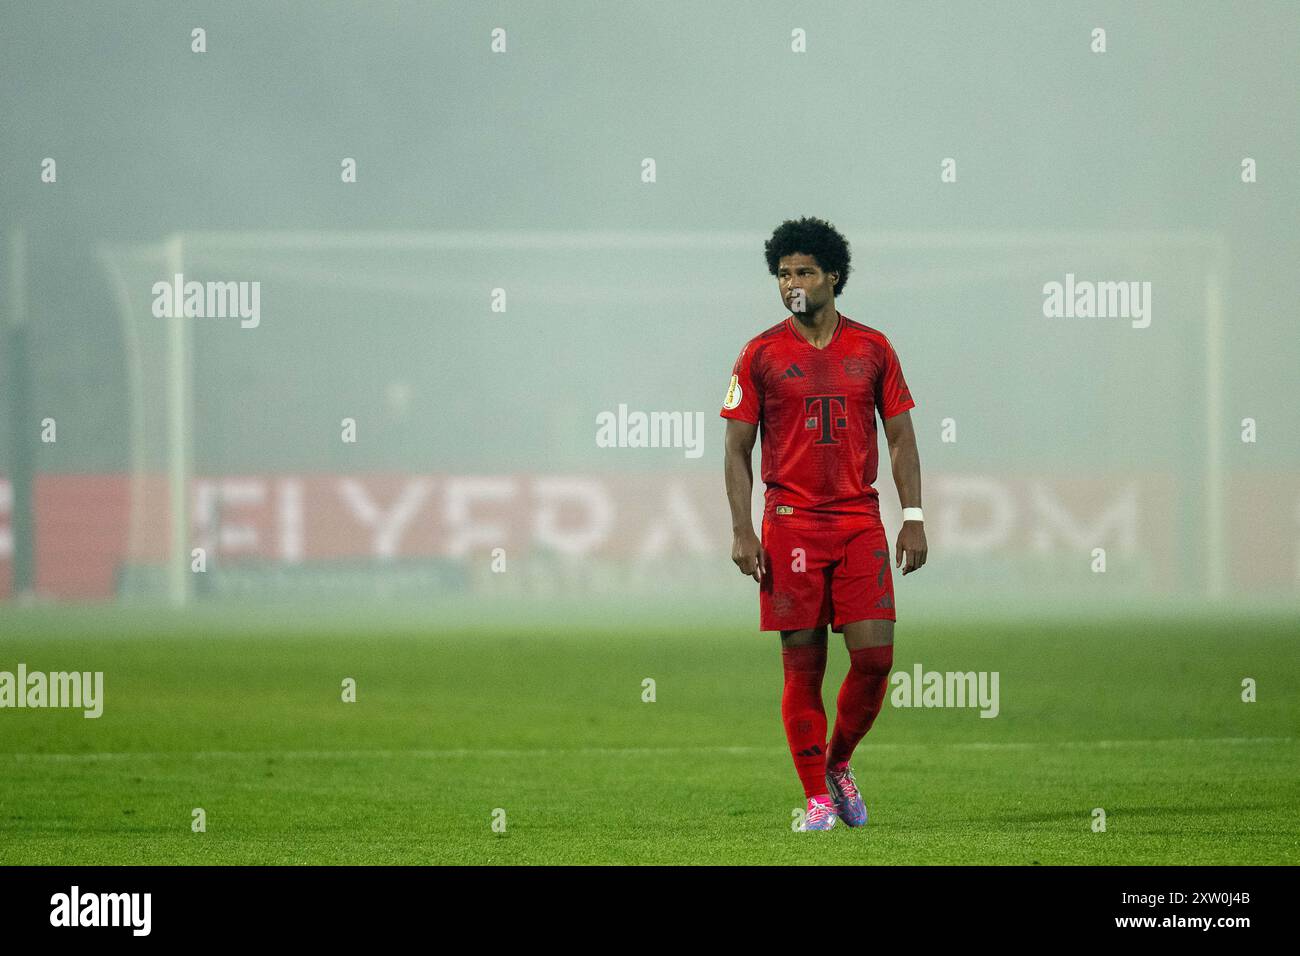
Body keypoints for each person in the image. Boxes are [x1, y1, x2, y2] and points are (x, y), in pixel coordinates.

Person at [720, 217, 928, 831]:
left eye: (804, 272)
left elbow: (901, 438)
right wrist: (741, 530)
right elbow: (735, 450)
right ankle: (815, 799)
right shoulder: (759, 353)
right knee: (802, 664)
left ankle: (838, 764)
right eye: (783, 274)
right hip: (790, 526)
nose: (792, 283)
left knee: (876, 659)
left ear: (833, 277)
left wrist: (911, 516)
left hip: (859, 520)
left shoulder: (873, 348)